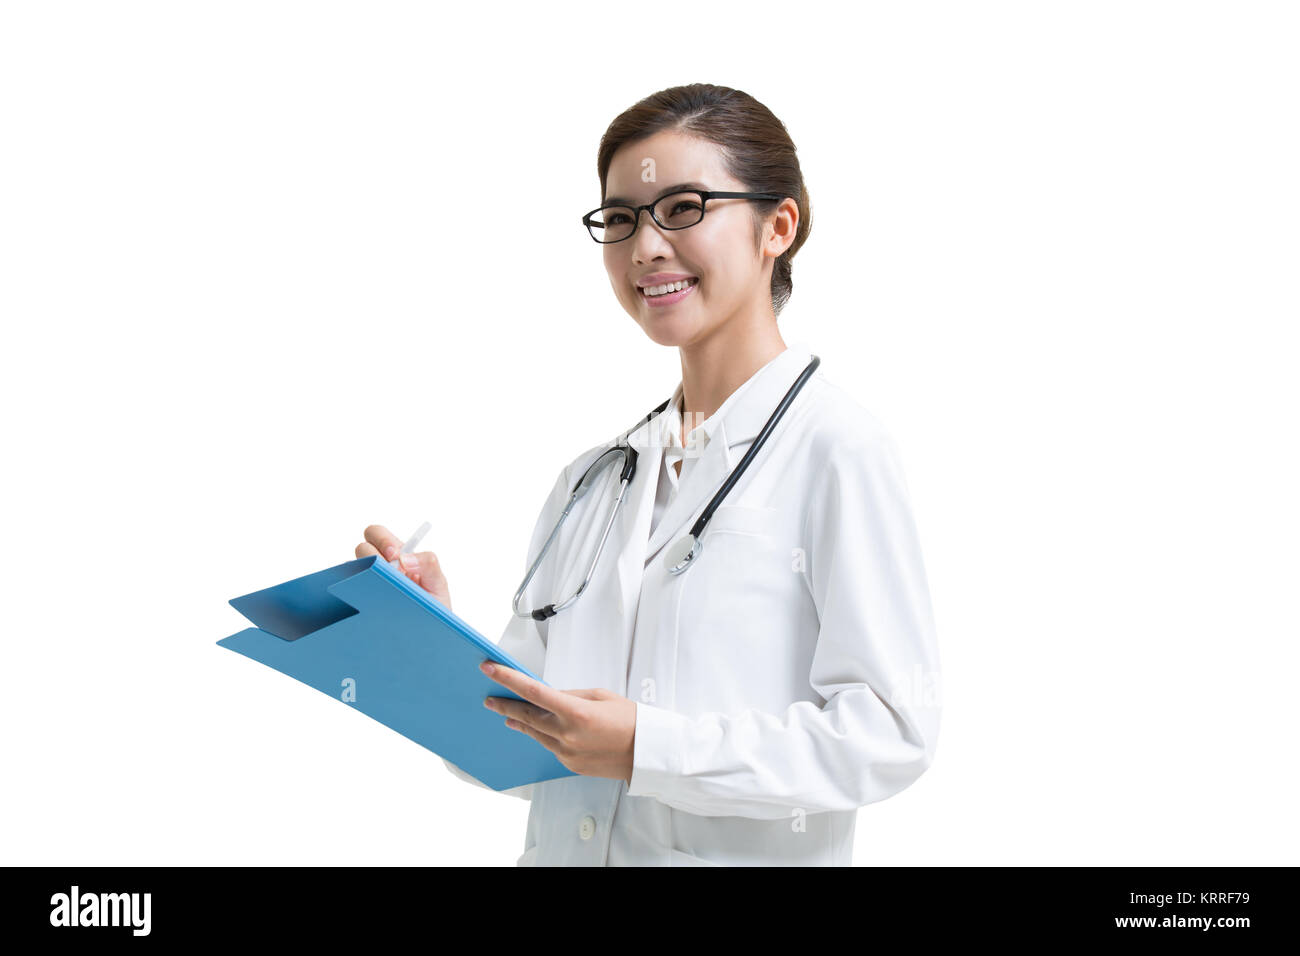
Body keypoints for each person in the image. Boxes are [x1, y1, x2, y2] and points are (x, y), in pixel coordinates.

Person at [356, 83, 941, 866]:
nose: (645, 247)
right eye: (623, 218)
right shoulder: (593, 480)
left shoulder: (838, 451)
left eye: (683, 207)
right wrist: (426, 638)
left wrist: (649, 749)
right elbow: (508, 756)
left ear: (779, 226)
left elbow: (890, 734)